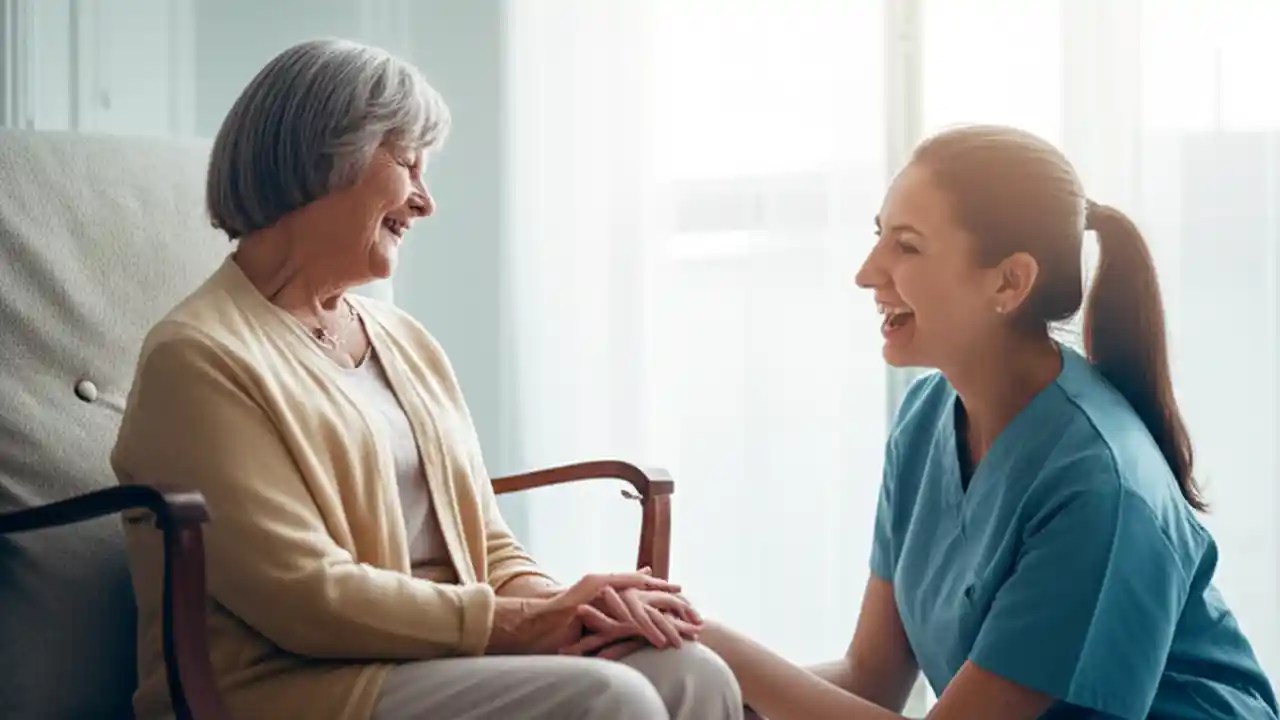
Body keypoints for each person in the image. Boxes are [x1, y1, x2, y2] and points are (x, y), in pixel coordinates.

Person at [111, 38, 742, 720]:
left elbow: (487, 544)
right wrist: (524, 624)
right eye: (409, 162)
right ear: (323, 155)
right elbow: (302, 595)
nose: (424, 201)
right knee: (608, 701)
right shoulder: (199, 357)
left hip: (448, 660)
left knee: (691, 674)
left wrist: (577, 609)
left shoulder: (405, 342)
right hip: (295, 686)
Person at [679, 126, 1279, 719]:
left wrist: (715, 648)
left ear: (1010, 281)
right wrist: (689, 665)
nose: (867, 272)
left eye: (906, 246)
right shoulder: (924, 420)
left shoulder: (1098, 485)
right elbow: (870, 681)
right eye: (879, 236)